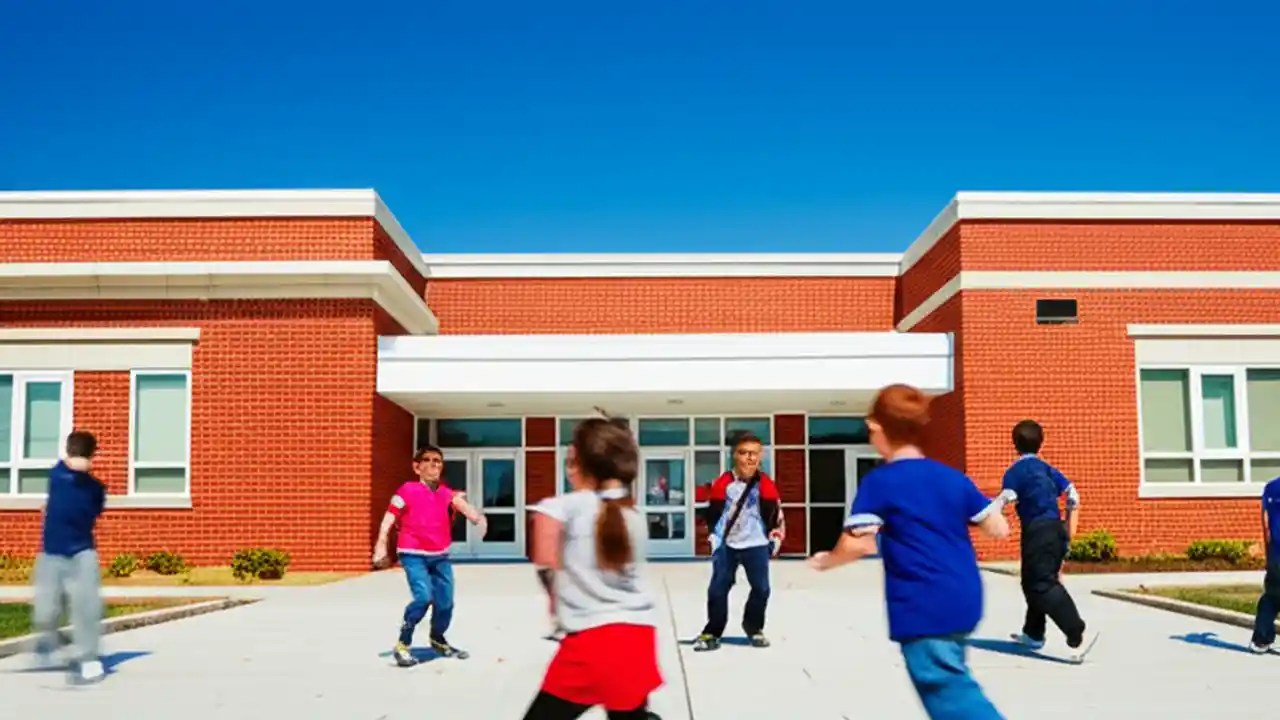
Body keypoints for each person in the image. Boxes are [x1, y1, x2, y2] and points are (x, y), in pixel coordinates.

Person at [808, 384, 1009, 720]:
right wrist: (994, 505)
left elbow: (860, 542)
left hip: (923, 604)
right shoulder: (952, 478)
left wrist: (827, 560)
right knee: (952, 677)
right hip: (965, 596)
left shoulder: (881, 482)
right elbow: (997, 529)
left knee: (948, 692)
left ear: (876, 427)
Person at [523, 416, 662, 720]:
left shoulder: (560, 507)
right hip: (639, 640)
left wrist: (556, 607)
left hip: (592, 645)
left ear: (582, 464)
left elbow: (545, 561)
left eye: (572, 461)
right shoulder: (633, 515)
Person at [372, 445, 487, 666]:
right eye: (428, 460)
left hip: (440, 556)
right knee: (423, 597)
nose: (433, 464)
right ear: (417, 467)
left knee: (445, 603)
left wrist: (478, 518)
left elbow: (463, 506)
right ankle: (403, 643)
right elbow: (388, 518)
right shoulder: (406, 490)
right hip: (413, 553)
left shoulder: (445, 492)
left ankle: (437, 639)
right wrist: (380, 546)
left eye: (438, 461)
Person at [995, 420, 1093, 662]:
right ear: (1042, 443)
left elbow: (1008, 496)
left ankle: (1075, 629)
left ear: (1014, 444)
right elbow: (1073, 494)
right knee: (1031, 582)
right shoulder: (1049, 469)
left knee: (1042, 585)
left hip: (1037, 531)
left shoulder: (1015, 472)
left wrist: (991, 510)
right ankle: (1033, 634)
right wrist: (1068, 527)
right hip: (1055, 528)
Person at [692, 430, 785, 652]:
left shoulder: (767, 485)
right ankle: (712, 632)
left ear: (760, 456)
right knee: (718, 589)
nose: (750, 458)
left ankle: (753, 627)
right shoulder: (722, 484)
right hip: (728, 544)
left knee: (762, 589)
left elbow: (776, 513)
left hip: (757, 543)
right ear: (735, 455)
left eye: (754, 453)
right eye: (744, 453)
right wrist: (714, 536)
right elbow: (713, 513)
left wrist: (776, 535)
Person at [32, 430, 107, 684]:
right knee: (45, 611)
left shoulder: (96, 488)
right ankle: (49, 641)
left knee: (86, 608)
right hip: (51, 552)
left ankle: (89, 659)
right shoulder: (57, 475)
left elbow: (91, 504)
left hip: (82, 552)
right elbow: (72, 467)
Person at [1250, 474, 1280, 653]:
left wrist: (1267, 553)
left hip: (1276, 553)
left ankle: (1261, 640)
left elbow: (1265, 523)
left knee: (1271, 596)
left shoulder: (1271, 487)